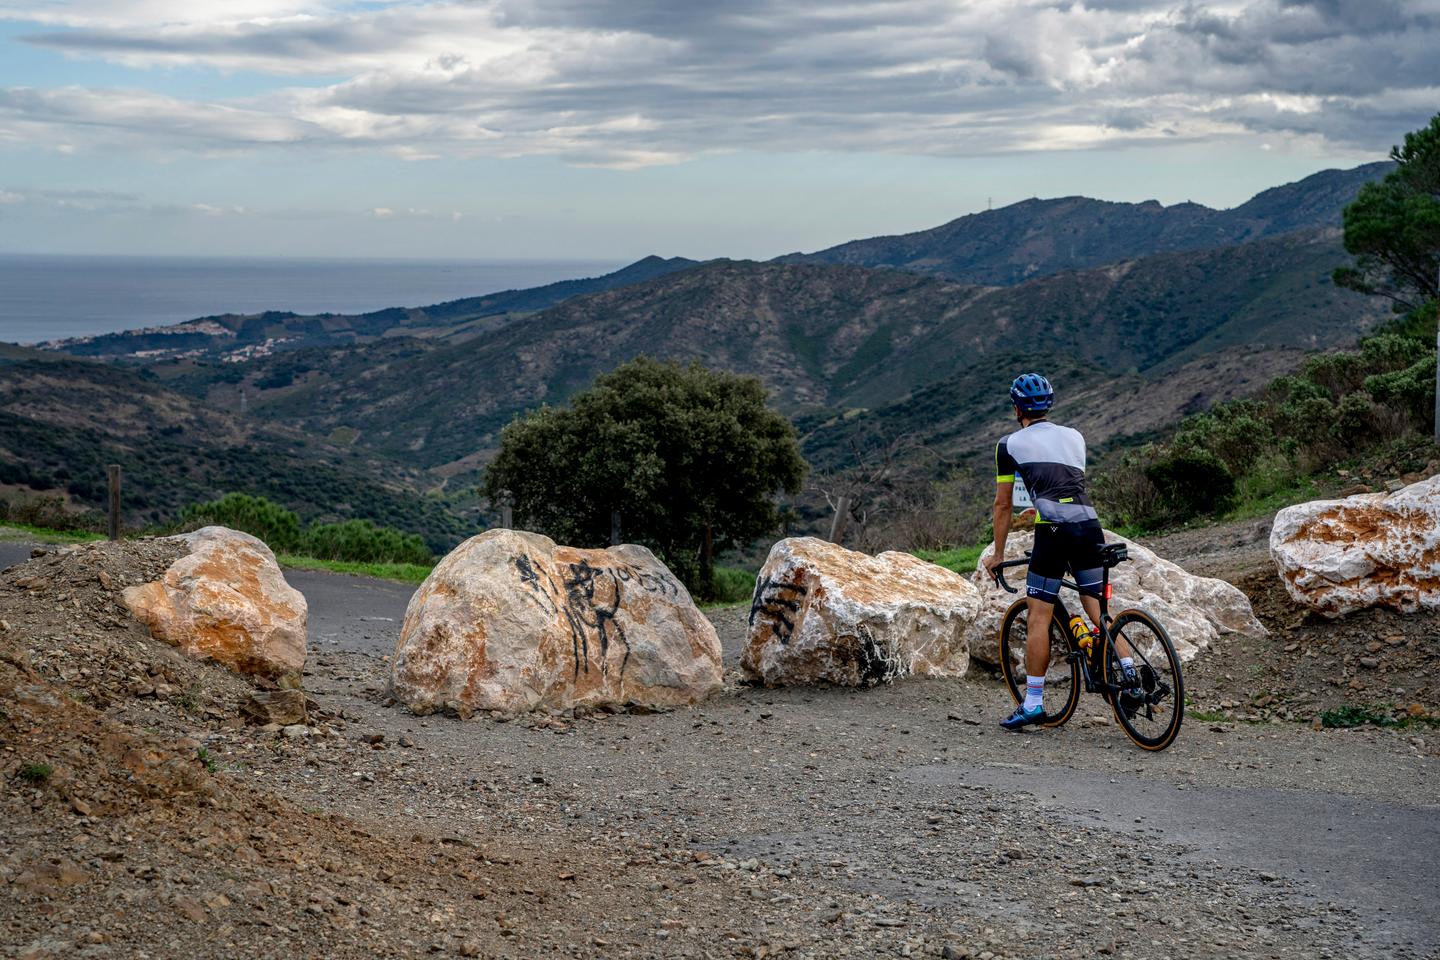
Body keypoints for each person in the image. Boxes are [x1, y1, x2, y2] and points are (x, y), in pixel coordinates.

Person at [982, 373, 1137, 730]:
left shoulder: (1008, 444)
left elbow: (1002, 505)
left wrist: (998, 555)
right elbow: (1065, 487)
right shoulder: (1075, 436)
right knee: (1098, 611)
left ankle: (1033, 702)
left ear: (1017, 407)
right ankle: (1129, 673)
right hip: (1088, 526)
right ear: (1048, 405)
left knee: (1039, 615)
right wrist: (1039, 507)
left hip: (1053, 533)